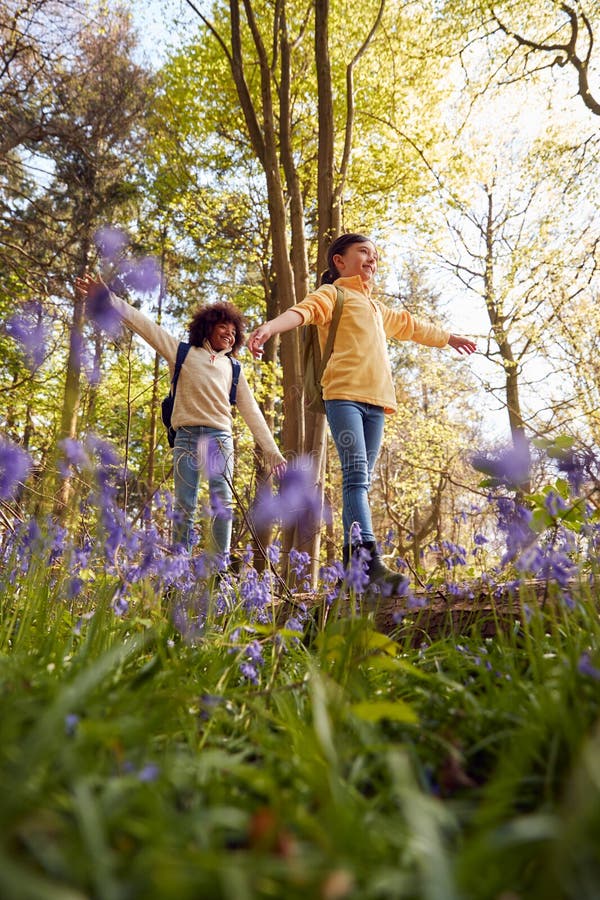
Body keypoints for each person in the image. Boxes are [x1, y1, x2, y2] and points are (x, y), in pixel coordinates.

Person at [247, 233, 476, 591]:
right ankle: (369, 565)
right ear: (339, 261)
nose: (372, 259)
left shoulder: (376, 308)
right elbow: (301, 312)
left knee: (362, 482)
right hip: (344, 397)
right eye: (364, 252)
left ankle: (353, 571)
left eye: (376, 255)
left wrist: (449, 338)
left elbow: (412, 326)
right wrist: (268, 328)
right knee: (355, 476)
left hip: (378, 404)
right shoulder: (333, 294)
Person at [75, 273, 286, 557]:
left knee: (221, 501)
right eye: (224, 327)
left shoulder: (234, 369)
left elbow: (253, 414)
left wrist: (272, 452)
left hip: (219, 439)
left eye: (234, 332)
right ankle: (180, 567)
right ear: (207, 328)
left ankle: (218, 568)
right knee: (184, 504)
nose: (230, 334)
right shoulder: (183, 353)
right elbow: (144, 325)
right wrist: (108, 298)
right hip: (186, 438)